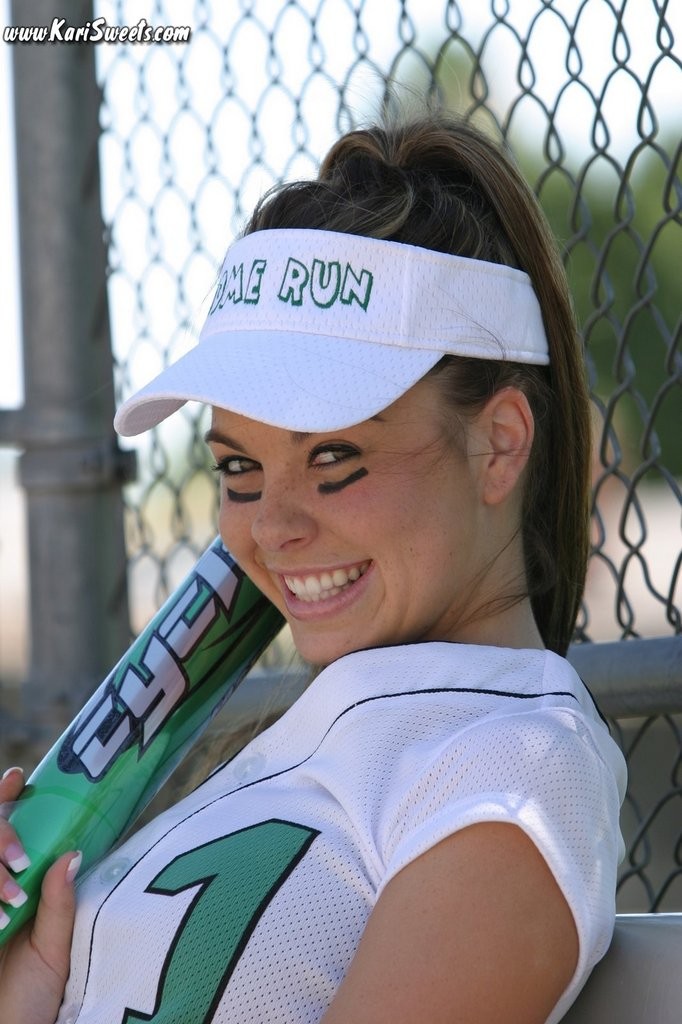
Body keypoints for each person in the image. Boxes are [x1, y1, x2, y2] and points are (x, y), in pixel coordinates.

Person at [0, 111, 626, 1024]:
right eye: (240, 469)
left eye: (335, 460)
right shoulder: (315, 740)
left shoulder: (513, 767)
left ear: (498, 445)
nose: (274, 526)